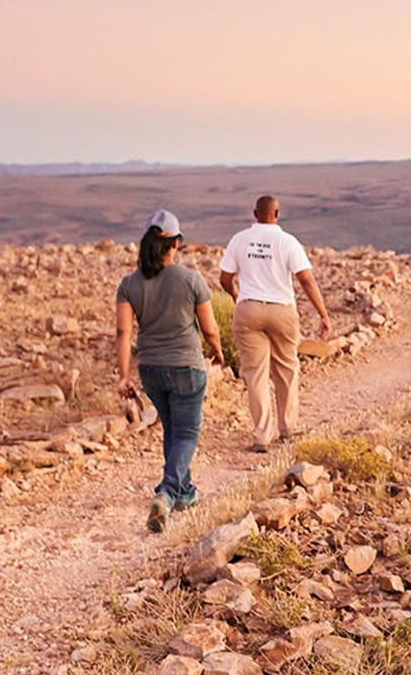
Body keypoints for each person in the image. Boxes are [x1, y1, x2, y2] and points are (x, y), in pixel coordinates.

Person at [116, 209, 223, 532]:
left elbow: (123, 333)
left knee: (173, 430)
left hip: (151, 369)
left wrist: (123, 375)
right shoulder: (191, 279)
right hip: (186, 366)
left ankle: (184, 492)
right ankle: (166, 492)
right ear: (177, 243)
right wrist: (217, 351)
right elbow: (210, 328)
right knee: (187, 433)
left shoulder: (129, 283)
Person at [219, 195, 332, 450]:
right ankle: (288, 428)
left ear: (255, 213)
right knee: (287, 369)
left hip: (248, 311)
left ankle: (261, 436)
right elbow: (306, 280)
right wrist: (322, 313)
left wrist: (237, 296)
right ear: (277, 214)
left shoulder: (239, 239)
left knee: (256, 374)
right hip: (282, 311)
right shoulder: (288, 242)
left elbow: (225, 278)